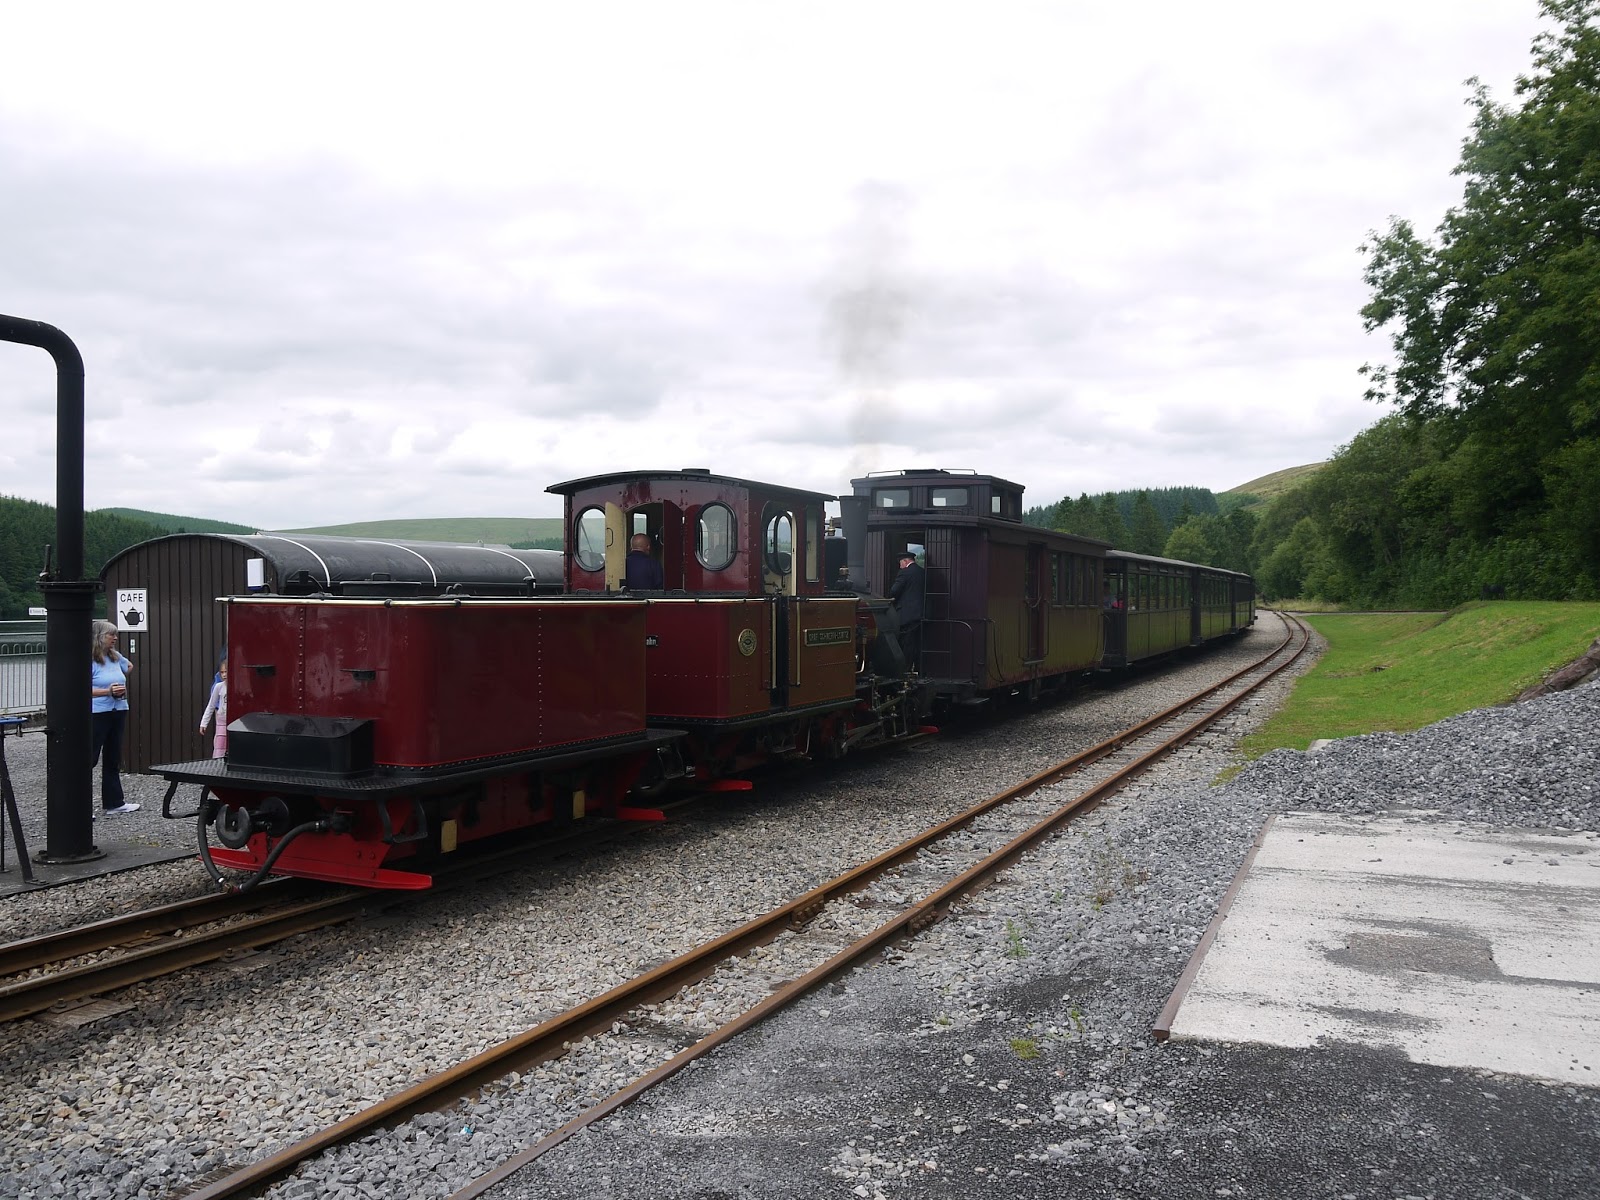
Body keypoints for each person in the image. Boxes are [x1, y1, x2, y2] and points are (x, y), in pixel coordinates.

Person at [90, 618, 139, 814]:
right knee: (90, 758)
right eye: (112, 634)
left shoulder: (114, 656)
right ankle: (81, 806)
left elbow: (130, 666)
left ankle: (114, 803)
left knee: (112, 757)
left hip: (118, 710)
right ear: (100, 637)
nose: (115, 638)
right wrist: (108, 690)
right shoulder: (89, 659)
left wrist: (117, 685)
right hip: (97, 713)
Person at [888, 550, 926, 669]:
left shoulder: (904, 573)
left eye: (900, 563)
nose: (900, 566)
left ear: (905, 561)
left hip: (907, 615)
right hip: (922, 614)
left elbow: (894, 591)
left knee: (906, 644)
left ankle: (905, 670)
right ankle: (919, 670)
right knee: (919, 645)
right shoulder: (922, 572)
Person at [199, 654, 229, 758]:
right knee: (219, 747)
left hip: (233, 721)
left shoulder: (239, 686)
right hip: (222, 721)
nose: (224, 675)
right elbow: (211, 705)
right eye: (222, 672)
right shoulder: (218, 687)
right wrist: (204, 723)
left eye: (226, 672)